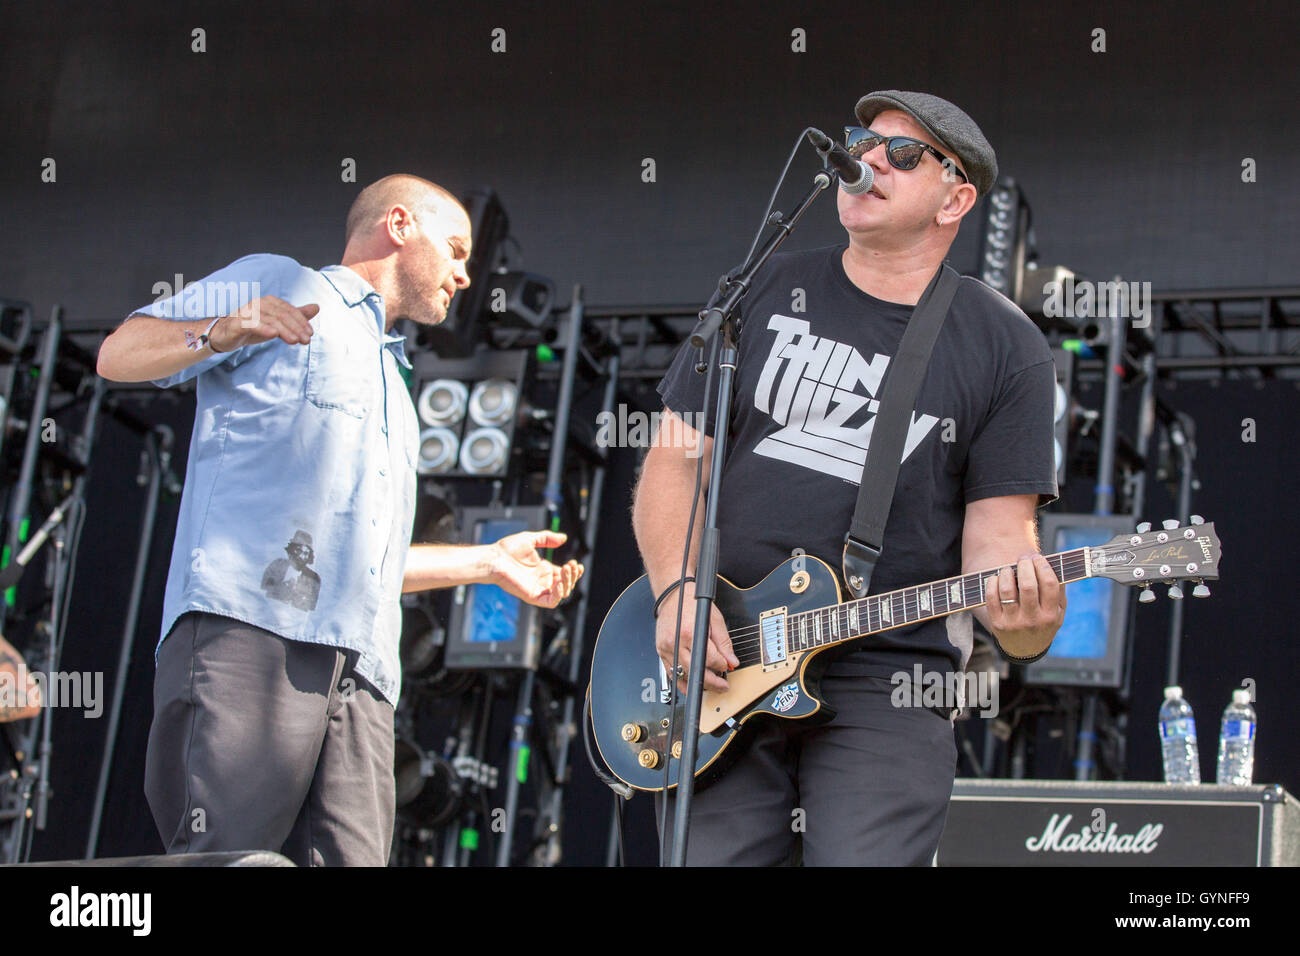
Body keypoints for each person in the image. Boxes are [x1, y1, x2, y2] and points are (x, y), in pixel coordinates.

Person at [97, 174, 583, 866]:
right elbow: (119, 353)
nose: (466, 275)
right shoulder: (284, 281)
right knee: (226, 857)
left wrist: (487, 564)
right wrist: (224, 328)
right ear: (398, 224)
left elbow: (368, 558)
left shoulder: (400, 386)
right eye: (454, 249)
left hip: (365, 673)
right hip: (255, 634)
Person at [633, 92, 1065, 866]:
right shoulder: (757, 290)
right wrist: (675, 592)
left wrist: (1028, 620)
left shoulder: (1007, 347)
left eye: (902, 154)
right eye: (861, 141)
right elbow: (673, 460)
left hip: (888, 677)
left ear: (955, 198)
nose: (867, 159)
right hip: (724, 653)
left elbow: (1000, 548)